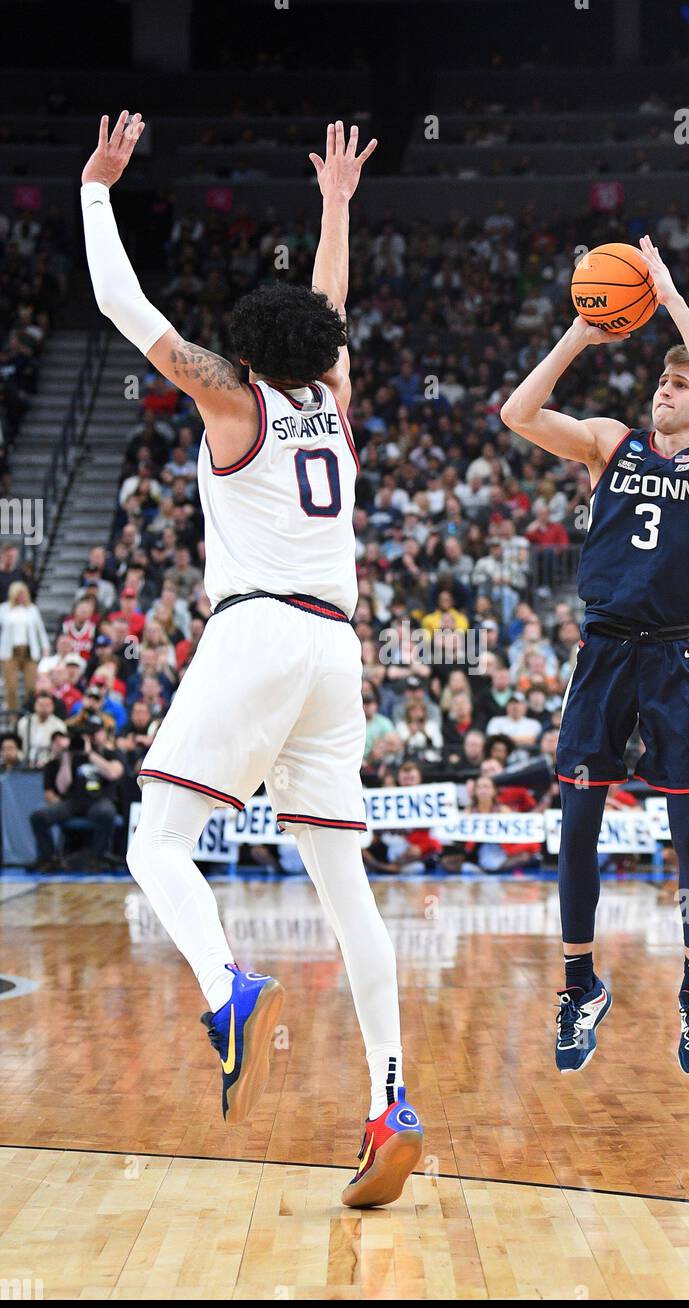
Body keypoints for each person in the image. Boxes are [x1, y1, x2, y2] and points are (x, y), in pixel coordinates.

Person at [81, 112, 421, 1206]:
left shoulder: (232, 400)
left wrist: (97, 191)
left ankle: (227, 987)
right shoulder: (336, 405)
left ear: (245, 348)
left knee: (154, 842)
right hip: (336, 653)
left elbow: (124, 310)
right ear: (317, 352)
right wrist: (334, 204)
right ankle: (389, 1099)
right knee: (344, 889)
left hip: (260, 631)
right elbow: (335, 311)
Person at [501, 234, 689, 1076]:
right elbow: (519, 415)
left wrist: (673, 297)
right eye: (659, 380)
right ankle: (579, 986)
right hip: (603, 653)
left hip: (677, 660)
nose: (663, 391)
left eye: (675, 384)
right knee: (576, 824)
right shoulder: (612, 442)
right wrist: (580, 333)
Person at [29, 721, 125, 871]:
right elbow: (62, 787)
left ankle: (98, 857)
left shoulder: (110, 753)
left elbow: (113, 773)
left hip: (99, 800)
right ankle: (48, 858)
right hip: (73, 802)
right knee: (39, 816)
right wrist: (67, 757)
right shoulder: (71, 756)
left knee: (106, 812)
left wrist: (90, 754)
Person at [0, 580, 51, 711]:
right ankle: (12, 715)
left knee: (31, 686)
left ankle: (29, 712)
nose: (22, 597)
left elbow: (40, 629)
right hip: (9, 652)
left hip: (29, 651)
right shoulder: (4, 609)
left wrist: (45, 646)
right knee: (11, 687)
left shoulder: (32, 609)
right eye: (19, 594)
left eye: (24, 594)